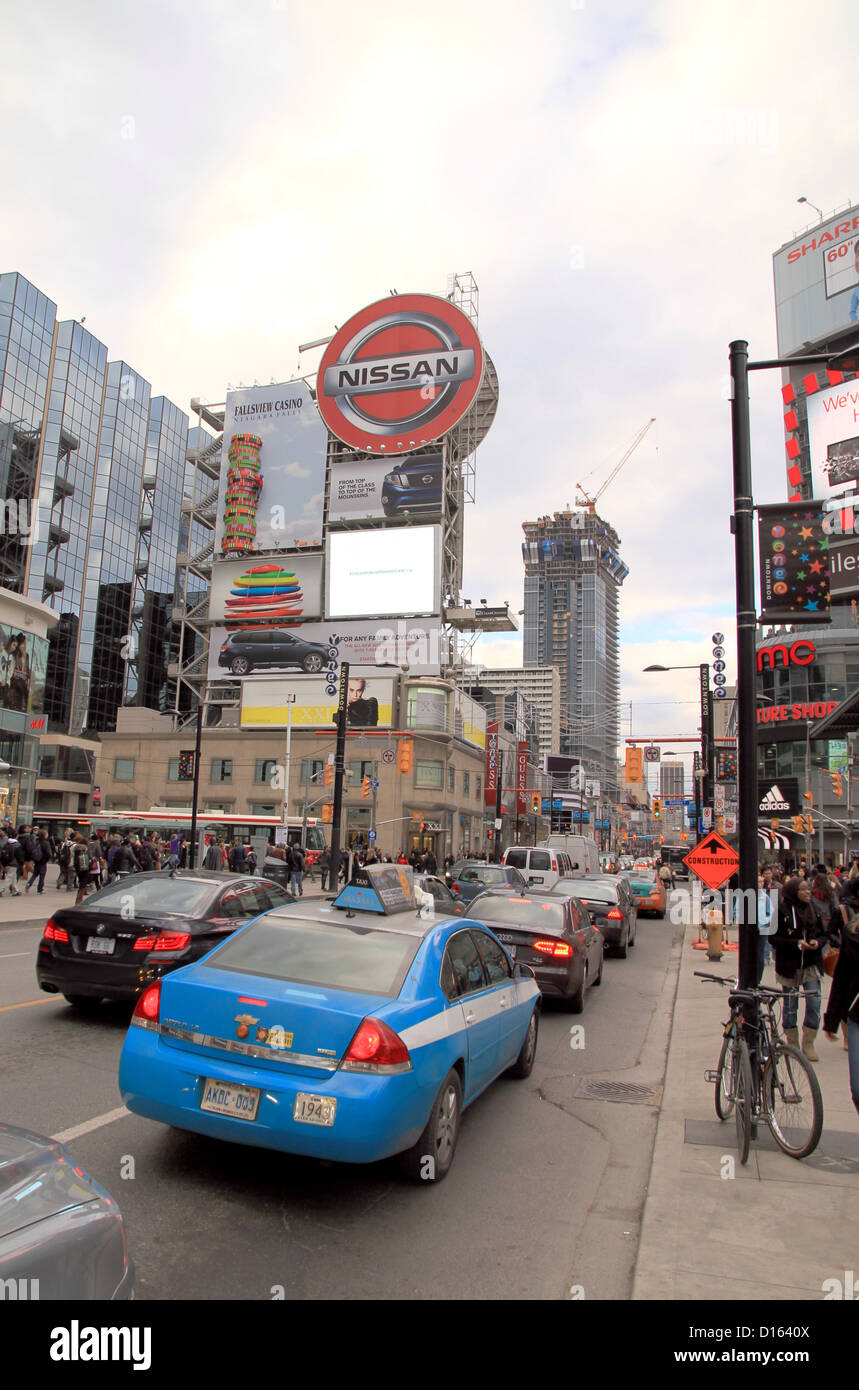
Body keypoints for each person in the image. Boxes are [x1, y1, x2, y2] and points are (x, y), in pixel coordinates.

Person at [772, 876, 823, 1059]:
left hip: (810, 964)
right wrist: (796, 943)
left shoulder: (813, 909)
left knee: (814, 1002)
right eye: (803, 889)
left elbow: (824, 934)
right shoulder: (782, 910)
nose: (807, 892)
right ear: (794, 891)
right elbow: (773, 938)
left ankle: (808, 1043)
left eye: (808, 889)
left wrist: (817, 942)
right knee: (790, 1004)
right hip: (789, 966)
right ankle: (792, 1043)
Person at [823, 905, 859, 1118]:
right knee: (857, 1089)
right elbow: (842, 979)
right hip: (857, 1018)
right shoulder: (852, 933)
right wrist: (831, 1020)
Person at [73, 834, 93, 904]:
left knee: (81, 882)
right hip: (85, 868)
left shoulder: (76, 848)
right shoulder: (86, 849)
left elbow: (75, 860)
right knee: (83, 884)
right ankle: (79, 899)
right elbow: (90, 858)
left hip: (78, 868)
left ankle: (79, 898)